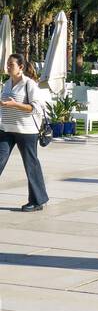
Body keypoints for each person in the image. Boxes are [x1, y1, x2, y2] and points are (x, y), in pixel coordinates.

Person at [0, 53, 50, 211]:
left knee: (31, 164)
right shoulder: (7, 83)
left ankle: (37, 201)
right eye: (7, 64)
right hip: (6, 129)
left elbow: (35, 108)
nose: (8, 67)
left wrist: (15, 105)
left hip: (26, 130)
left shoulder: (29, 84)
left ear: (20, 67)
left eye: (11, 65)